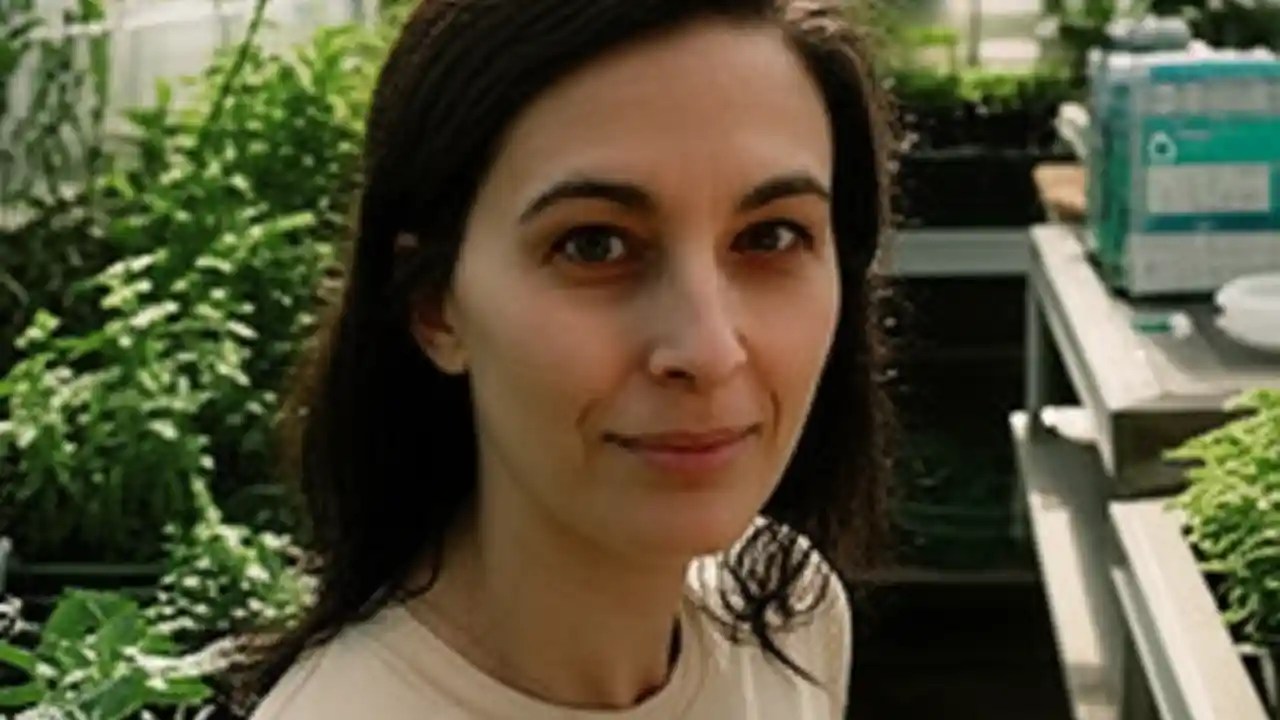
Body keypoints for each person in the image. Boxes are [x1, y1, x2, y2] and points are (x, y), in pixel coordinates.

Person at [243, 0, 894, 717]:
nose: (708, 350)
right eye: (595, 246)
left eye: (770, 237)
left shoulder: (787, 616)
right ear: (434, 304)